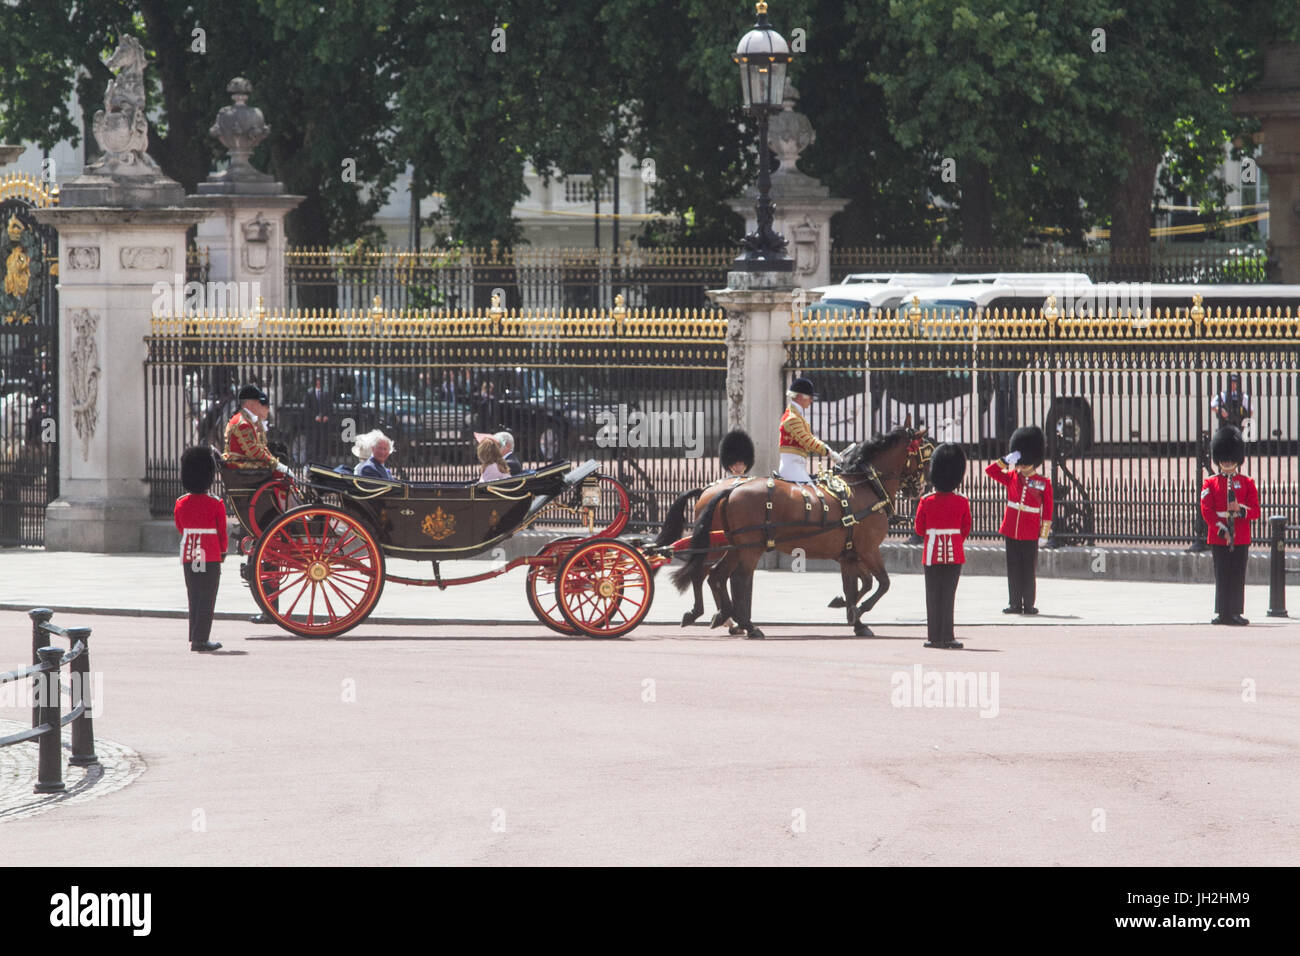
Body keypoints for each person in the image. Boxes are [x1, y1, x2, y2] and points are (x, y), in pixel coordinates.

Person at [986, 425, 1053, 615]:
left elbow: (1048, 511)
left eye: (1024, 462)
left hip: (1030, 530)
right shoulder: (1012, 477)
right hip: (1011, 529)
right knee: (1013, 567)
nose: (1021, 466)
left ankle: (1029, 604)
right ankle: (1014, 602)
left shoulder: (1042, 483)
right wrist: (1005, 460)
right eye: (1020, 462)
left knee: (1027, 570)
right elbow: (990, 471)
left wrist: (1044, 534)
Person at [1200, 425, 1260, 625]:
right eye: (1224, 459)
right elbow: (1206, 509)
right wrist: (1220, 529)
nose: (1227, 462)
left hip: (1240, 534)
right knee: (1222, 573)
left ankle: (1235, 611)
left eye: (1230, 459)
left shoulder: (1247, 482)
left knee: (1237, 573)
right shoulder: (1211, 483)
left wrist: (1240, 510)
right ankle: (1222, 612)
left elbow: (1256, 511)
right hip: (1219, 535)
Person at [915, 443, 971, 649]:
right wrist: (954, 540)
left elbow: (919, 529)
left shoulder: (926, 501)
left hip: (931, 553)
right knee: (948, 595)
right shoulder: (962, 501)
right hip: (954, 553)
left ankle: (933, 637)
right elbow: (966, 528)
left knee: (932, 594)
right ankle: (947, 636)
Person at [174, 446, 227, 652]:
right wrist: (222, 552)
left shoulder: (181, 503)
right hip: (210, 552)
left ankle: (195, 635)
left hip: (188, 552)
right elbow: (221, 531)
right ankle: (201, 639)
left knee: (194, 594)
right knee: (207, 595)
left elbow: (180, 526)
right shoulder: (215, 503)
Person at [778, 377, 841, 483]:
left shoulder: (797, 415)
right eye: (809, 397)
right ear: (799, 396)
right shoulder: (792, 418)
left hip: (797, 466)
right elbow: (808, 441)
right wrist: (829, 452)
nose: (811, 400)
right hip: (792, 468)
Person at [222, 384, 290, 474]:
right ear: (250, 404)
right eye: (258, 402)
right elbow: (253, 451)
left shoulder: (246, 419)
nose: (259, 405)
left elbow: (260, 447)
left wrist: (273, 461)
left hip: (243, 462)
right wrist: (275, 464)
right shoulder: (242, 423)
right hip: (240, 465)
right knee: (279, 474)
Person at [304, 376, 333, 462]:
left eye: (320, 380)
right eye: (317, 380)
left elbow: (330, 406)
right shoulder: (309, 393)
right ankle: (314, 461)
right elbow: (307, 408)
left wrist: (326, 416)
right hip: (313, 423)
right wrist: (315, 417)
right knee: (314, 443)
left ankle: (323, 461)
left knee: (323, 443)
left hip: (324, 423)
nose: (318, 382)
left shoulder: (326, 392)